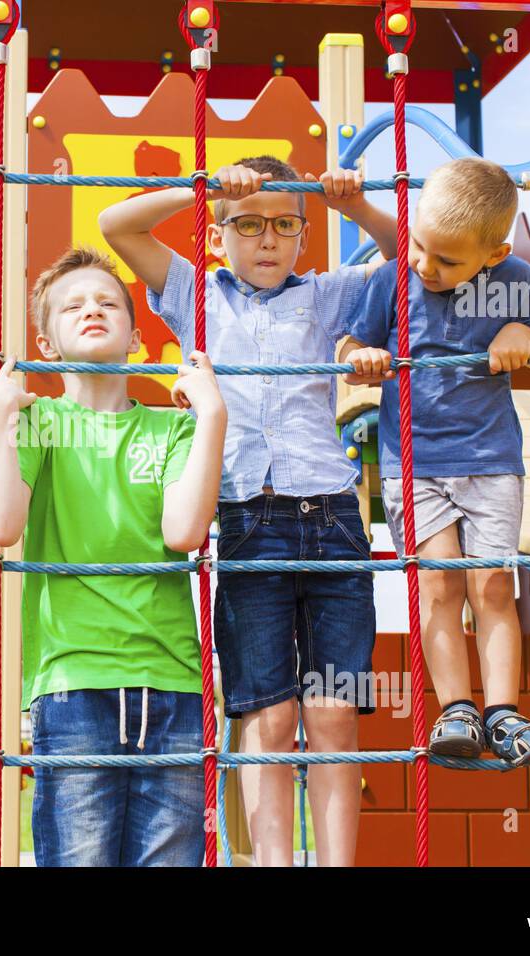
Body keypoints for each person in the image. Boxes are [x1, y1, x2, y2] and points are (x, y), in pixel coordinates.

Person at [100, 156, 397, 866]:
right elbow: (117, 225)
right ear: (221, 234)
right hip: (245, 516)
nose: (267, 239)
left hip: (330, 515)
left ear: (303, 237)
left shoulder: (326, 297)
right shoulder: (195, 294)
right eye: (249, 224)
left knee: (332, 713)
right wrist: (200, 189)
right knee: (268, 714)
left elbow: (403, 259)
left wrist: (353, 206)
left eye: (285, 225)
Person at [0, 247, 226, 866]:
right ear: (47, 343)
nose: (92, 309)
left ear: (137, 340)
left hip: (173, 682)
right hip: (74, 684)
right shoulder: (41, 424)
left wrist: (214, 413)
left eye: (108, 302)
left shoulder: (174, 429)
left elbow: (186, 530)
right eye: (73, 305)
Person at [340, 156, 530, 767]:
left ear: (494, 253)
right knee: (438, 585)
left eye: (447, 261)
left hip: (491, 459)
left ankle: (503, 712)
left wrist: (524, 335)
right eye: (419, 247)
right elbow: (352, 341)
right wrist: (363, 357)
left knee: (492, 584)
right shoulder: (392, 279)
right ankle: (455, 708)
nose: (425, 268)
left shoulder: (517, 281)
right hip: (418, 464)